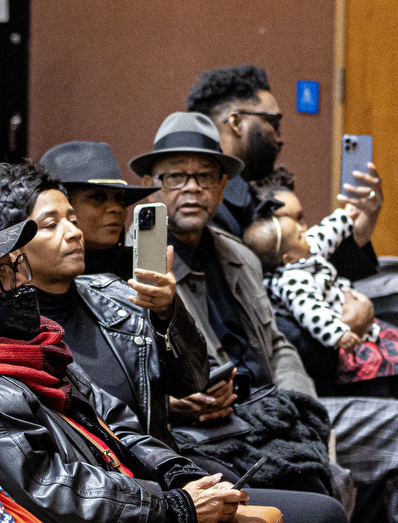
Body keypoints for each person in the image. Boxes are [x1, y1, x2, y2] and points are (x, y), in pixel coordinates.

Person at [131, 111, 398, 523]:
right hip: (208, 428)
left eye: (205, 176)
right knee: (313, 487)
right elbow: (121, 372)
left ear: (222, 187)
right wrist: (171, 401)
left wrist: (301, 410)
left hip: (276, 406)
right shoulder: (135, 265)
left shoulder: (238, 255)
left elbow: (275, 343)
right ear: (151, 186)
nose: (192, 188)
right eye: (175, 177)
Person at [0, 161, 349, 523]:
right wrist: (175, 504)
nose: (73, 232)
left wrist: (168, 312)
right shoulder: (22, 344)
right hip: (126, 492)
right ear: (13, 247)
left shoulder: (72, 321)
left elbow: (130, 417)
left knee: (311, 487)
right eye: (52, 224)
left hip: (151, 466)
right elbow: (51, 484)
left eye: (72, 219)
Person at [0, 218, 250, 523]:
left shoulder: (42, 346)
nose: (19, 282)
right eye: (2, 273)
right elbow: (51, 488)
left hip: (135, 494)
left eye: (16, 265)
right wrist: (172, 507)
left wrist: (174, 472)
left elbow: (116, 424)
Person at [243, 200, 398, 413]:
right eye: (301, 236)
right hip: (347, 341)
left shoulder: (304, 255)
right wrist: (338, 334)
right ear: (287, 258)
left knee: (396, 335)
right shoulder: (293, 282)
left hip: (360, 325)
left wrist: (345, 216)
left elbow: (324, 234)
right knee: (388, 357)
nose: (307, 234)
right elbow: (312, 313)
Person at [186, 65, 383, 281]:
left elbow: (298, 271)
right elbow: (262, 297)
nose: (279, 137)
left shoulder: (249, 195)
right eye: (273, 122)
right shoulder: (205, 206)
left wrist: (360, 232)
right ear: (236, 122)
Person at [40, 140, 155, 280]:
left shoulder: (142, 268)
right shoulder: (36, 275)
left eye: (120, 198)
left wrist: (169, 301)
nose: (116, 208)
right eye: (97, 197)